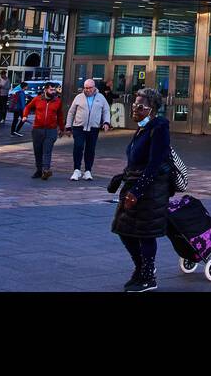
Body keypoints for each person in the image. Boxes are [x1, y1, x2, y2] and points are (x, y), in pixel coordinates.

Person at [111, 88, 172, 292]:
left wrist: (137, 191)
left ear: (152, 109)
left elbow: (154, 163)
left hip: (151, 190)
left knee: (145, 233)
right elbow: (136, 160)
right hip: (134, 184)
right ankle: (140, 268)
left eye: (140, 106)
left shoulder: (159, 128)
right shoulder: (142, 128)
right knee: (124, 229)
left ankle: (147, 277)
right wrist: (121, 177)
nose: (134, 109)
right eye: (134, 105)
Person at [66, 78, 111, 181]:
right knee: (78, 146)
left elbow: (106, 110)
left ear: (94, 87)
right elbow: (71, 112)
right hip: (79, 127)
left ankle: (88, 171)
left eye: (90, 88)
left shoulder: (101, 98)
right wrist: (68, 126)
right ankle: (77, 170)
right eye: (86, 88)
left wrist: (106, 122)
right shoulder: (79, 97)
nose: (87, 90)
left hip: (93, 127)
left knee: (90, 149)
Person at [22, 82, 65, 180]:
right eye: (51, 89)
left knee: (47, 150)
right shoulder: (37, 99)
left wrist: (62, 129)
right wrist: (25, 116)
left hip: (51, 130)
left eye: (54, 89)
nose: (53, 91)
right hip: (37, 129)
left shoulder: (57, 101)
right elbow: (27, 107)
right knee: (38, 151)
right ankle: (39, 170)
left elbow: (60, 115)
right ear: (45, 90)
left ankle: (46, 170)